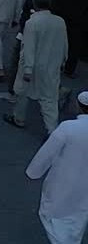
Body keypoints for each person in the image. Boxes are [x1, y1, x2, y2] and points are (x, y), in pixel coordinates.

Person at [25, 92, 88, 244]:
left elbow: (46, 154)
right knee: (78, 218)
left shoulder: (68, 128)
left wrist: (33, 172)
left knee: (56, 218)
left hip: (64, 182)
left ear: (79, 106)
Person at [5, 0, 68, 134]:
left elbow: (29, 47)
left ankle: (18, 118)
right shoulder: (60, 21)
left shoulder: (32, 22)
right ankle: (52, 130)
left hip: (32, 66)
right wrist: (63, 61)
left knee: (22, 93)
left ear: (34, 4)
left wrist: (27, 70)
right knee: (49, 99)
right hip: (52, 66)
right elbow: (64, 45)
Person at [53, 0, 88, 77]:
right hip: (81, 18)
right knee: (75, 44)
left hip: (62, 13)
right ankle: (69, 69)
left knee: (58, 40)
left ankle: (54, 64)